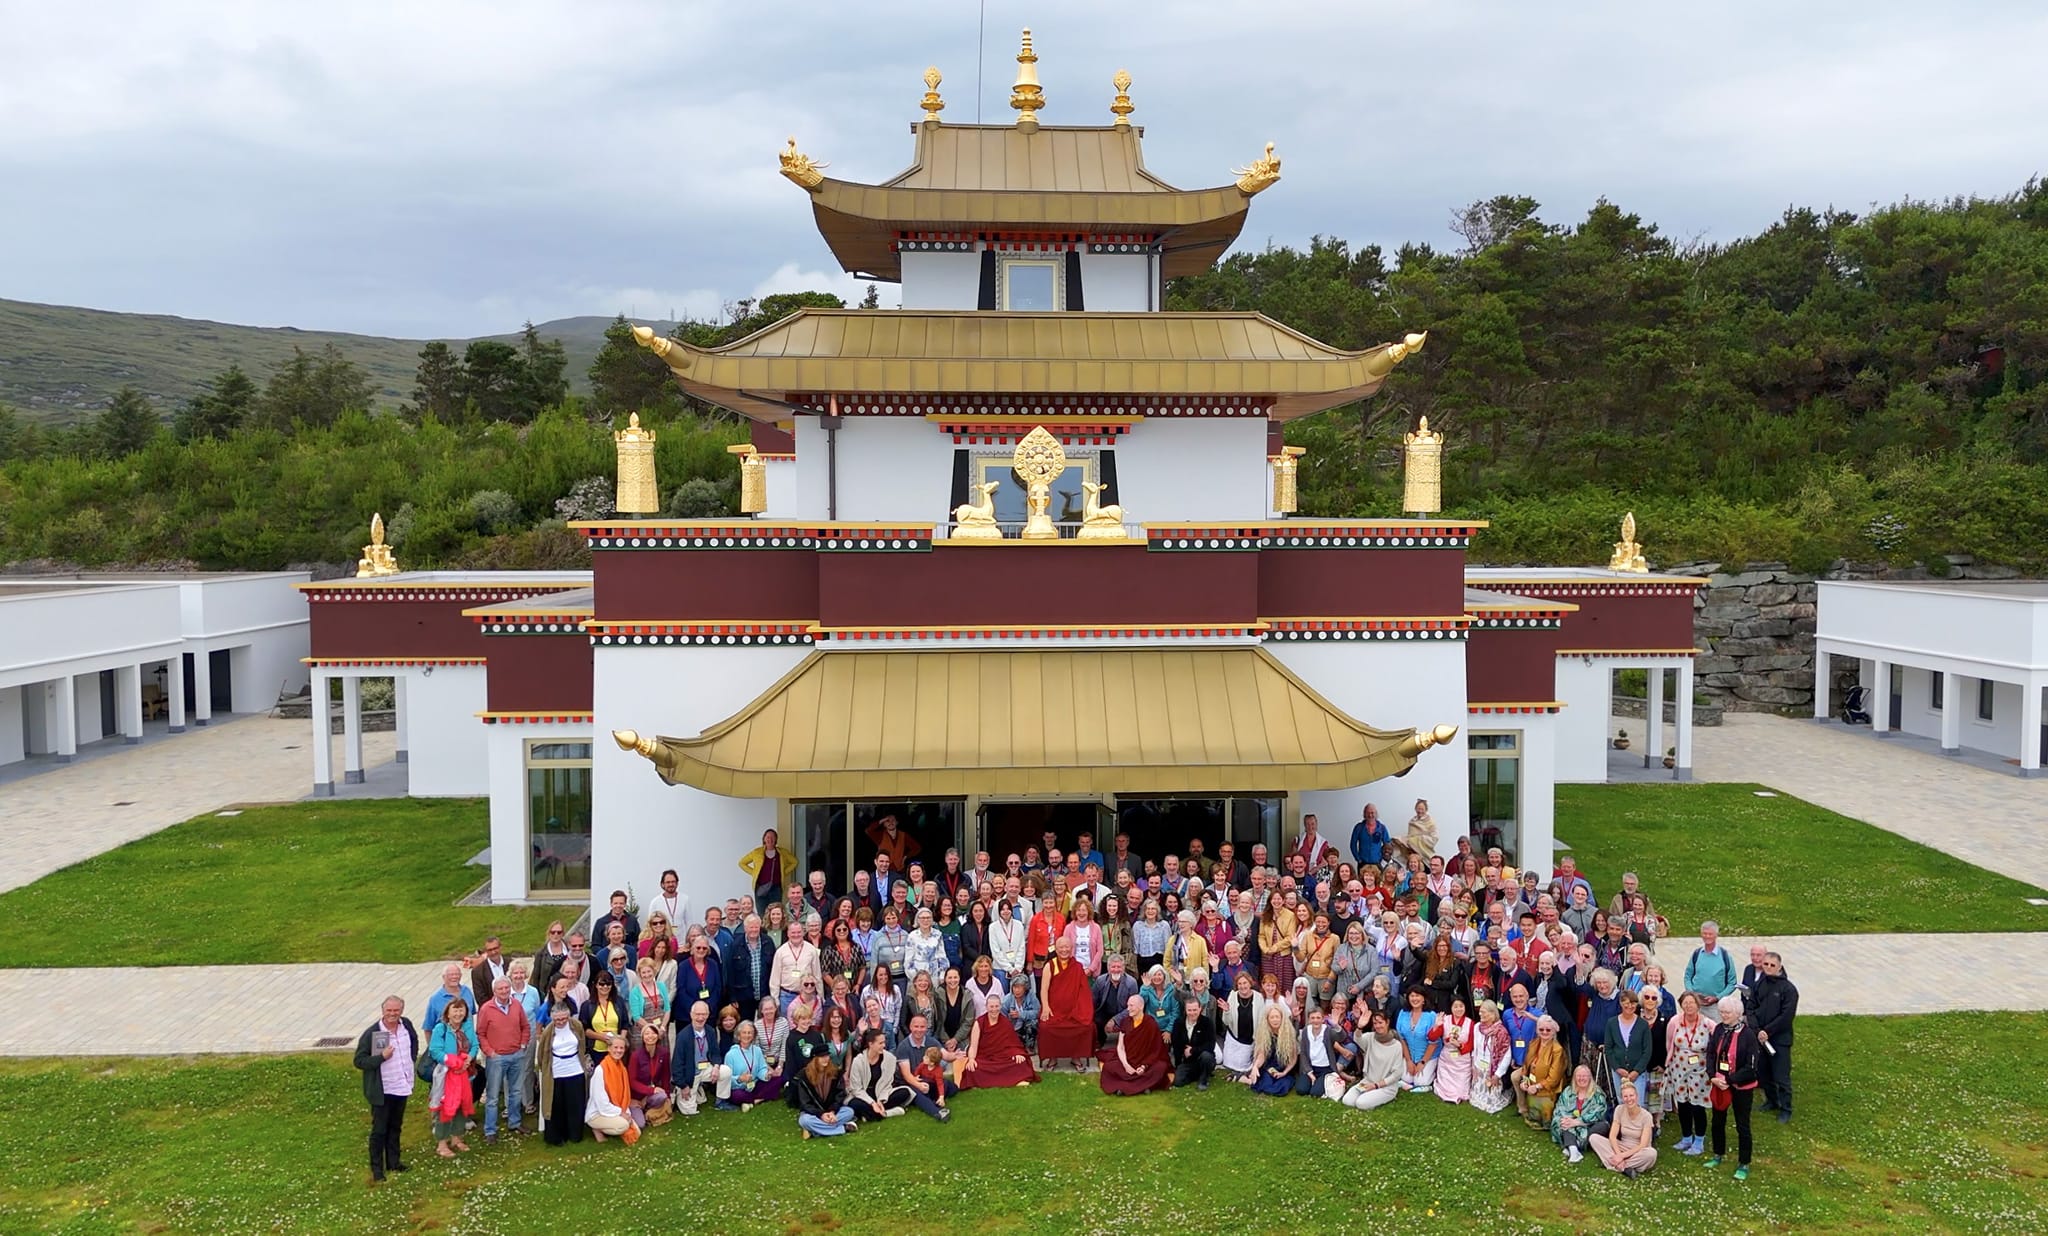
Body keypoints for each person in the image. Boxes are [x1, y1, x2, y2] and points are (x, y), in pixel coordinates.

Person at [354, 996, 419, 1182]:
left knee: (395, 1127)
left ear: (402, 1011)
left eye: (396, 1010)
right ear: (383, 1011)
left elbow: (414, 1043)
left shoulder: (406, 1025)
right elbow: (359, 1061)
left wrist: (410, 1060)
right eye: (389, 1011)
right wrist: (381, 1057)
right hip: (383, 1090)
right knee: (379, 1130)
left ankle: (394, 1162)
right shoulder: (374, 1033)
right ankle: (377, 1169)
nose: (392, 1014)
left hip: (402, 1086)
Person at [1704, 998, 1762, 1179]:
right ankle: (1717, 1154)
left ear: (1737, 1014)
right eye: (1722, 1012)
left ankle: (1744, 1163)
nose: (1724, 1016)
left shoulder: (1748, 1035)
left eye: (1727, 1013)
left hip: (1741, 1086)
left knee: (1742, 1124)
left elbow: (1751, 1067)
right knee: (1717, 1121)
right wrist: (1712, 1076)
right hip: (1719, 1083)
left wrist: (1730, 1079)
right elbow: (1711, 1054)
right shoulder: (1719, 1029)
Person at [845, 1027, 947, 1122]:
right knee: (854, 1104)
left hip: (882, 1094)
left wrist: (880, 1101)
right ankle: (887, 1113)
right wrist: (872, 1103)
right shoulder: (858, 1061)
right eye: (880, 1043)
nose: (884, 1046)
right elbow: (856, 1089)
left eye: (884, 1042)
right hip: (864, 1095)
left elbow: (887, 1085)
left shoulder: (889, 1059)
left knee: (905, 1092)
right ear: (871, 1044)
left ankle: (871, 1114)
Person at [475, 977, 530, 1141]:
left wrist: (523, 1044)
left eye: (507, 988)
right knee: (492, 1096)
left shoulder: (516, 1005)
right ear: (494, 991)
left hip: (516, 1055)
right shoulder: (486, 1009)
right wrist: (489, 1052)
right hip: (497, 1057)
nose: (505, 991)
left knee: (516, 1091)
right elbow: (481, 1033)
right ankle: (490, 1130)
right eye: (501, 989)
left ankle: (515, 1122)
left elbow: (525, 1026)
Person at [424, 998, 479, 1158]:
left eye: (461, 1010)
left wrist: (468, 1058)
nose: (458, 1013)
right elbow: (435, 1050)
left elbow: (474, 1045)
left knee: (462, 1105)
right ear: (448, 1013)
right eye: (455, 1010)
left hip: (464, 1072)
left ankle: (457, 1138)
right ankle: (442, 1144)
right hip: (447, 1073)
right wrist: (453, 1061)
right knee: (446, 1107)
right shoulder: (440, 1029)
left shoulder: (467, 1026)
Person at [535, 999, 590, 1145]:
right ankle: (556, 1137)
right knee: (556, 1105)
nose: (561, 1022)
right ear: (552, 1018)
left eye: (564, 1019)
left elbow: (582, 1044)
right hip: (556, 1072)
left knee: (575, 1104)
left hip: (575, 1069)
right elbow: (542, 1054)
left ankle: (575, 1134)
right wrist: (545, 1069)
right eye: (557, 1019)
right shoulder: (548, 1031)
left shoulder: (576, 1026)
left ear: (569, 1016)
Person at [1752, 952, 1798, 1123]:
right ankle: (1771, 1101)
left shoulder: (1789, 989)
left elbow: (1786, 1017)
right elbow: (1751, 1007)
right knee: (1763, 1073)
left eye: (1772, 965)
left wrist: (1768, 1031)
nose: (1768, 968)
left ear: (1779, 967)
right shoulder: (1759, 984)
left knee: (1781, 1076)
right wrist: (1757, 1030)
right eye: (1765, 964)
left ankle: (1786, 1109)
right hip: (1760, 1037)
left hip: (1779, 1040)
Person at [1037, 936, 1095, 1071]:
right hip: (1054, 1010)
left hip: (1073, 1011)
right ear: (1056, 950)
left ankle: (1076, 1057)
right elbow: (1044, 989)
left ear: (1072, 948)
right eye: (1061, 947)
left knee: (1085, 1027)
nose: (1064, 950)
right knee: (1046, 1028)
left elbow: (1083, 992)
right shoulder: (1050, 965)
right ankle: (1052, 1058)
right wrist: (1045, 1007)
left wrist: (1080, 1010)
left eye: (1067, 947)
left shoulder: (1078, 967)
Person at [962, 993, 1040, 1089]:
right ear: (986, 1007)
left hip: (1003, 1057)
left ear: (1000, 1006)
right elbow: (973, 1046)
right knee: (973, 1068)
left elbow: (1013, 1043)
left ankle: (983, 1081)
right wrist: (971, 1059)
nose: (994, 1009)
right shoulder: (979, 1023)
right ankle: (1012, 1079)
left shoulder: (1005, 1022)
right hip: (985, 1058)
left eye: (996, 1006)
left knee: (1021, 1063)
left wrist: (1017, 1053)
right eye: (991, 1006)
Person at [671, 1000, 734, 1115]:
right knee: (689, 1111)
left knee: (726, 1071)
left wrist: (716, 1066)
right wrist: (683, 1086)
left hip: (705, 1070)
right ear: (691, 1015)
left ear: (708, 1015)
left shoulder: (710, 1031)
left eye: (703, 1014)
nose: (700, 1018)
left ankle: (721, 1101)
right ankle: (687, 1090)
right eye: (697, 1014)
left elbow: (715, 1053)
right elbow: (677, 1064)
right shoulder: (683, 1036)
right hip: (690, 1075)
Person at [582, 1033, 638, 1143]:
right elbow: (601, 1102)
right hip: (598, 1113)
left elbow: (624, 1096)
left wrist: (625, 1113)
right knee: (623, 1126)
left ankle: (612, 1123)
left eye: (621, 1048)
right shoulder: (601, 1070)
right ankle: (596, 1128)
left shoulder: (622, 1069)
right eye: (615, 1047)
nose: (618, 1051)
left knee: (637, 1131)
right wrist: (621, 1113)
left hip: (616, 1110)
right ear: (609, 1048)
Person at [1591, 1083, 1658, 1177]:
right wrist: (1619, 1154)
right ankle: (1624, 1168)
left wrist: (1621, 1157)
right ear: (1622, 1098)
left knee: (1651, 1154)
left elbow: (1643, 1144)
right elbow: (1612, 1136)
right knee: (1594, 1138)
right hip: (1622, 1146)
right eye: (1625, 1096)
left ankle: (1614, 1164)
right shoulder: (1619, 1109)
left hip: (1639, 1150)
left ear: (1637, 1096)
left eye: (1631, 1095)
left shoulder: (1646, 1116)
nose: (1629, 1099)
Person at [1514, 1016, 1569, 1129]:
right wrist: (1525, 1081)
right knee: (1533, 1114)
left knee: (1545, 1118)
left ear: (1553, 1032)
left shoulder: (1557, 1050)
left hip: (1548, 1090)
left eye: (1548, 1030)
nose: (1544, 1032)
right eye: (1541, 1029)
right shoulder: (1533, 1043)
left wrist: (1537, 1086)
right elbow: (1526, 1065)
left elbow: (1554, 1078)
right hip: (1532, 1086)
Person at [1551, 1064, 1610, 1164]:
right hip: (1571, 1124)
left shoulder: (1597, 1093)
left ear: (1589, 1077)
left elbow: (1599, 1112)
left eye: (1584, 1076)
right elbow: (1560, 1108)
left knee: (1603, 1126)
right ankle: (1574, 1151)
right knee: (1562, 1122)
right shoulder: (1568, 1091)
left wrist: (1579, 1122)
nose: (1581, 1078)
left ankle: (1572, 1144)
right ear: (1574, 1077)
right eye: (1579, 1076)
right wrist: (1569, 1120)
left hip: (1588, 1125)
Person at [1682, 921, 1740, 1016]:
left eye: (1710, 934)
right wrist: (1692, 993)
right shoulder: (1696, 954)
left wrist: (1717, 997)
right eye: (1705, 933)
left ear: (1716, 935)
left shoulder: (1725, 957)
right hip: (1696, 1004)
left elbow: (1732, 983)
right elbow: (1688, 976)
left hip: (1715, 1007)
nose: (1707, 936)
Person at [793, 1056, 856, 1139]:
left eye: (827, 1056)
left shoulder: (835, 1073)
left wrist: (832, 1111)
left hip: (832, 1112)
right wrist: (821, 1114)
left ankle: (815, 1131)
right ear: (815, 1059)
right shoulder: (804, 1076)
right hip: (814, 1113)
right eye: (822, 1057)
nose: (826, 1059)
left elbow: (840, 1095)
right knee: (804, 1120)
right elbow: (805, 1103)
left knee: (849, 1111)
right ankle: (843, 1128)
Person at [1470, 999, 1513, 1114]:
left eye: (1483, 1012)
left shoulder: (1501, 1032)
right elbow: (1475, 1048)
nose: (1480, 1014)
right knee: (1477, 1098)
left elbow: (1506, 1056)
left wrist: (1497, 1075)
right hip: (1480, 1067)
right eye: (1480, 1012)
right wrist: (1474, 1065)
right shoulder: (1477, 1027)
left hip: (1493, 1071)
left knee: (1491, 1102)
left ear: (1493, 1014)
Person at [1218, 970, 1264, 1079]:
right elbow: (1226, 1022)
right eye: (1240, 984)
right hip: (1235, 1037)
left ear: (1250, 983)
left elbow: (1262, 1021)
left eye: (1245, 983)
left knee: (1242, 1065)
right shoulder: (1232, 996)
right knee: (1229, 1064)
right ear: (1236, 985)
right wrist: (1227, 1011)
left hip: (1251, 1038)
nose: (1243, 986)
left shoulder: (1259, 997)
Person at [1247, 1005, 1300, 1096]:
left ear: (1282, 1018)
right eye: (1272, 1017)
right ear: (1267, 1019)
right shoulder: (1264, 1033)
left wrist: (1284, 1072)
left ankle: (1247, 1079)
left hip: (1284, 1069)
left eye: (1277, 1017)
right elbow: (1261, 1055)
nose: (1275, 1020)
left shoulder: (1289, 1033)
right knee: (1264, 1086)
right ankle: (1246, 1078)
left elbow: (1293, 1058)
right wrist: (1255, 1066)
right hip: (1269, 1068)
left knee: (1281, 1089)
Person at [627, 1020, 672, 1127]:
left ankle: (648, 1107)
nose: (650, 1036)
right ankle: (644, 1110)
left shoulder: (664, 1053)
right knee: (640, 1124)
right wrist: (650, 1090)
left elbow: (666, 1076)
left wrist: (668, 1096)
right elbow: (632, 1081)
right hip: (637, 1096)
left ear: (658, 1036)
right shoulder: (636, 1056)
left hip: (651, 1095)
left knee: (662, 1096)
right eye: (647, 1034)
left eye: (653, 1033)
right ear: (642, 1037)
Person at [1432, 996, 1475, 1104]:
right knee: (1444, 1087)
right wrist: (1436, 1026)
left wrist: (1460, 1045)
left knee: (1461, 1091)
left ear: (1465, 1007)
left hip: (1462, 1060)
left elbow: (1471, 1045)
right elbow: (1432, 1037)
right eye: (1455, 1006)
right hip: (1447, 1059)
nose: (1458, 1009)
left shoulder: (1470, 1023)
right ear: (1451, 1008)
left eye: (1461, 1006)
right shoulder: (1445, 1020)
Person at [1168, 997, 1216, 1091]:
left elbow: (1210, 1045)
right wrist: (1179, 1065)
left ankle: (1203, 1080)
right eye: (1189, 1010)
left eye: (1195, 1010)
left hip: (1202, 1057)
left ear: (1200, 1009)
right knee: (1178, 1082)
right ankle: (1199, 1074)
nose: (1192, 1013)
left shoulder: (1207, 1022)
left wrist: (1192, 1050)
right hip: (1187, 1061)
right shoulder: (1178, 1023)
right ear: (1185, 1010)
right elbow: (1176, 1045)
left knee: (1207, 1056)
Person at [738, 828, 785, 913]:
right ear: (764, 839)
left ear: (776, 839)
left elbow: (794, 862)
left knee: (775, 913)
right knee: (762, 913)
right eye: (767, 837)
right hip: (761, 888)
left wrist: (784, 872)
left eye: (772, 837)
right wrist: (754, 872)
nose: (770, 839)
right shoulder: (757, 852)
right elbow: (742, 863)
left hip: (776, 888)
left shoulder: (781, 853)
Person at [424, 962, 476, 1031]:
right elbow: (428, 1027)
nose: (454, 977)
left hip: (467, 1038)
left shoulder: (467, 991)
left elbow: (471, 1015)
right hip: (446, 1039)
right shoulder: (435, 999)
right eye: (450, 975)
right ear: (443, 977)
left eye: (457, 974)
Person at [1002, 972, 1040, 1056]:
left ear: (1025, 988)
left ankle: (1029, 1047)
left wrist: (1021, 1014)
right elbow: (1002, 1017)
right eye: (1015, 987)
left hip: (1026, 1026)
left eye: (1020, 987)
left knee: (1033, 1023)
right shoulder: (1007, 1000)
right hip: (1012, 1028)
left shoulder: (1031, 996)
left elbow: (1037, 1012)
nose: (1017, 990)